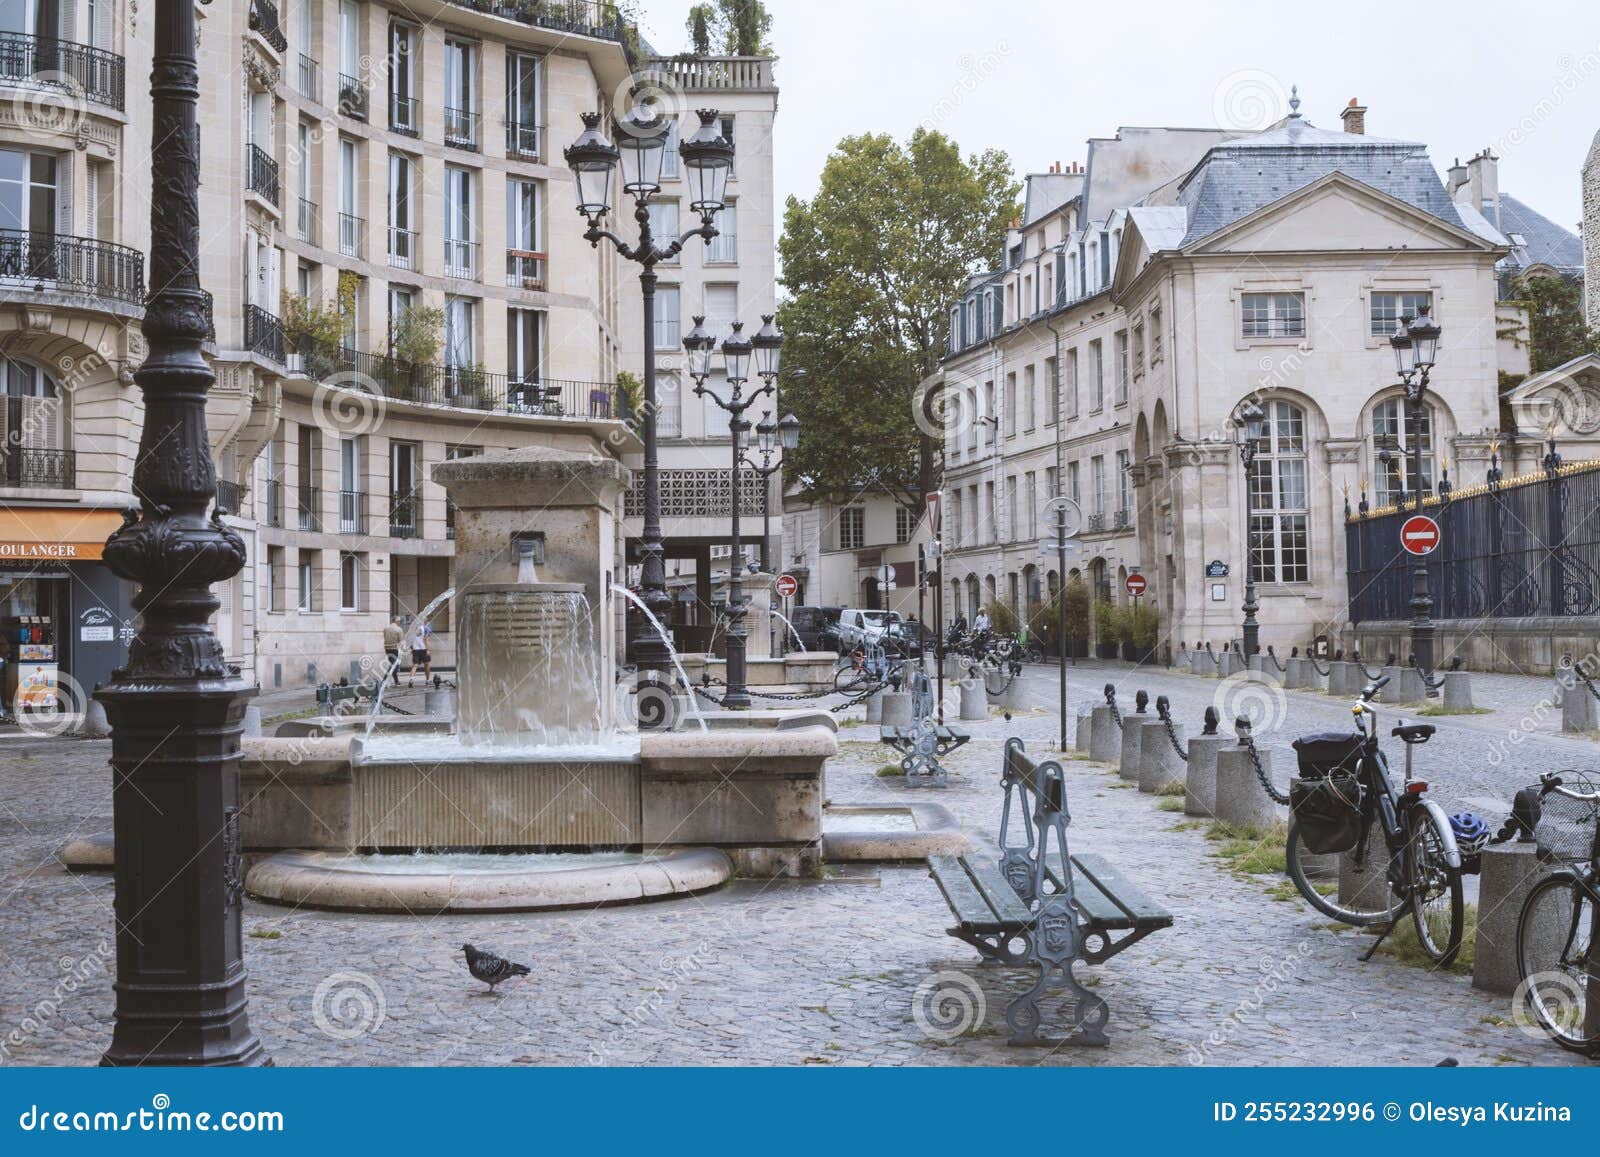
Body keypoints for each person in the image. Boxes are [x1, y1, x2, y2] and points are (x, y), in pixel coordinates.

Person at [408, 620, 433, 687]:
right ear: (425, 622)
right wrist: (428, 649)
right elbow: (426, 639)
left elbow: (410, 640)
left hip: (415, 649)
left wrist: (412, 648)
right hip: (424, 649)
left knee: (415, 665)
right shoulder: (426, 628)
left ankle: (411, 679)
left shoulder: (412, 630)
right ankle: (427, 680)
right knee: (427, 665)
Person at [382, 617, 404, 685]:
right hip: (395, 649)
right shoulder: (399, 629)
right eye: (400, 621)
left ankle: (396, 681)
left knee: (393, 664)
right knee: (394, 665)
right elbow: (401, 641)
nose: (400, 622)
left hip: (387, 649)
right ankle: (384, 680)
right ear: (397, 621)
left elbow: (385, 637)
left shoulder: (386, 628)